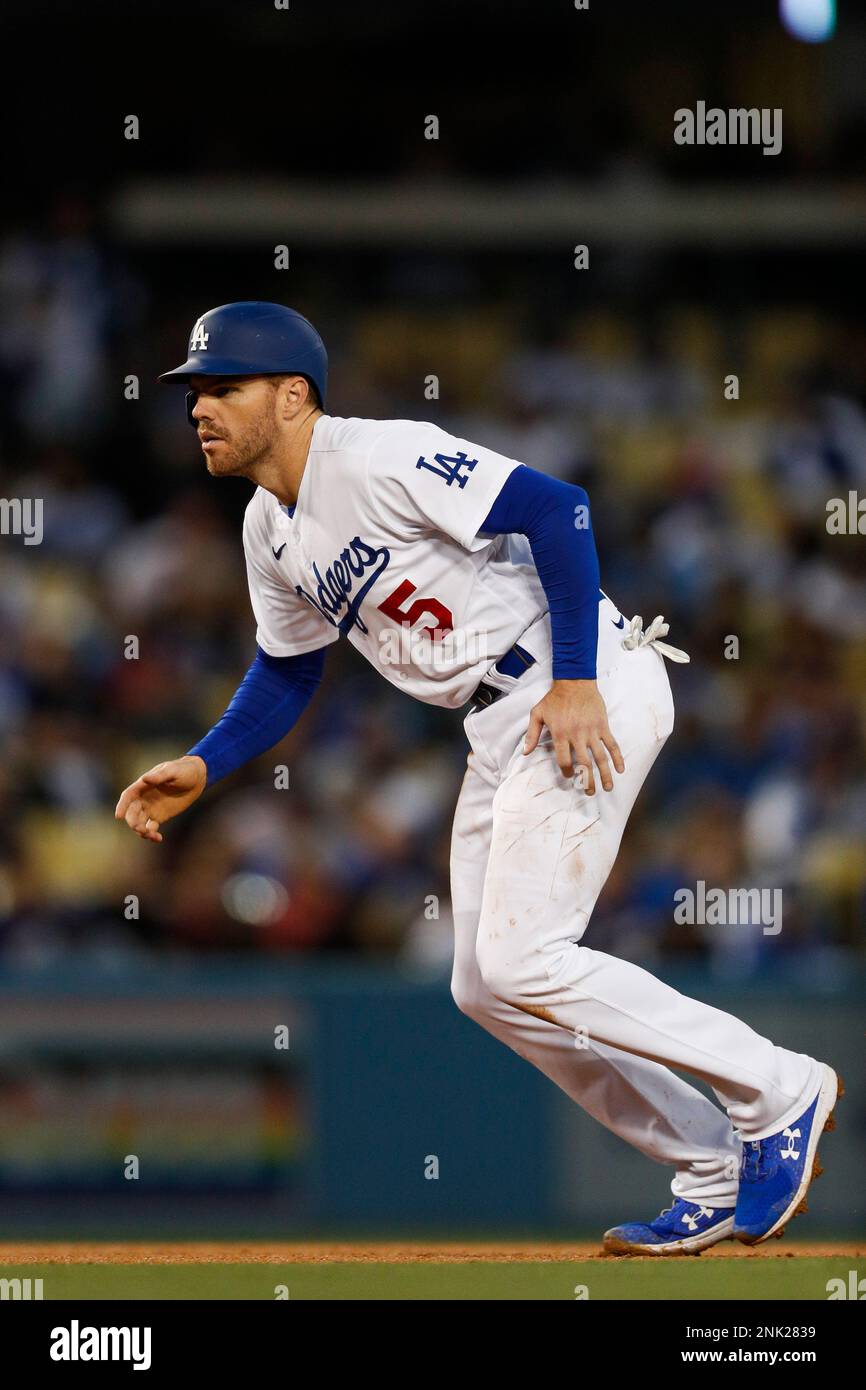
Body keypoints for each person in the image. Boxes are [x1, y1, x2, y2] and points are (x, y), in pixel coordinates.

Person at [116, 302, 840, 1254]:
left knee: (522, 960)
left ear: (293, 396)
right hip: (500, 719)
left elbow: (558, 508)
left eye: (223, 388)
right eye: (195, 392)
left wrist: (578, 679)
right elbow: (290, 666)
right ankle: (709, 1161)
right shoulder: (267, 527)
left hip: (576, 681)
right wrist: (206, 763)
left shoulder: (374, 457)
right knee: (484, 985)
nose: (199, 408)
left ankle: (780, 1087)